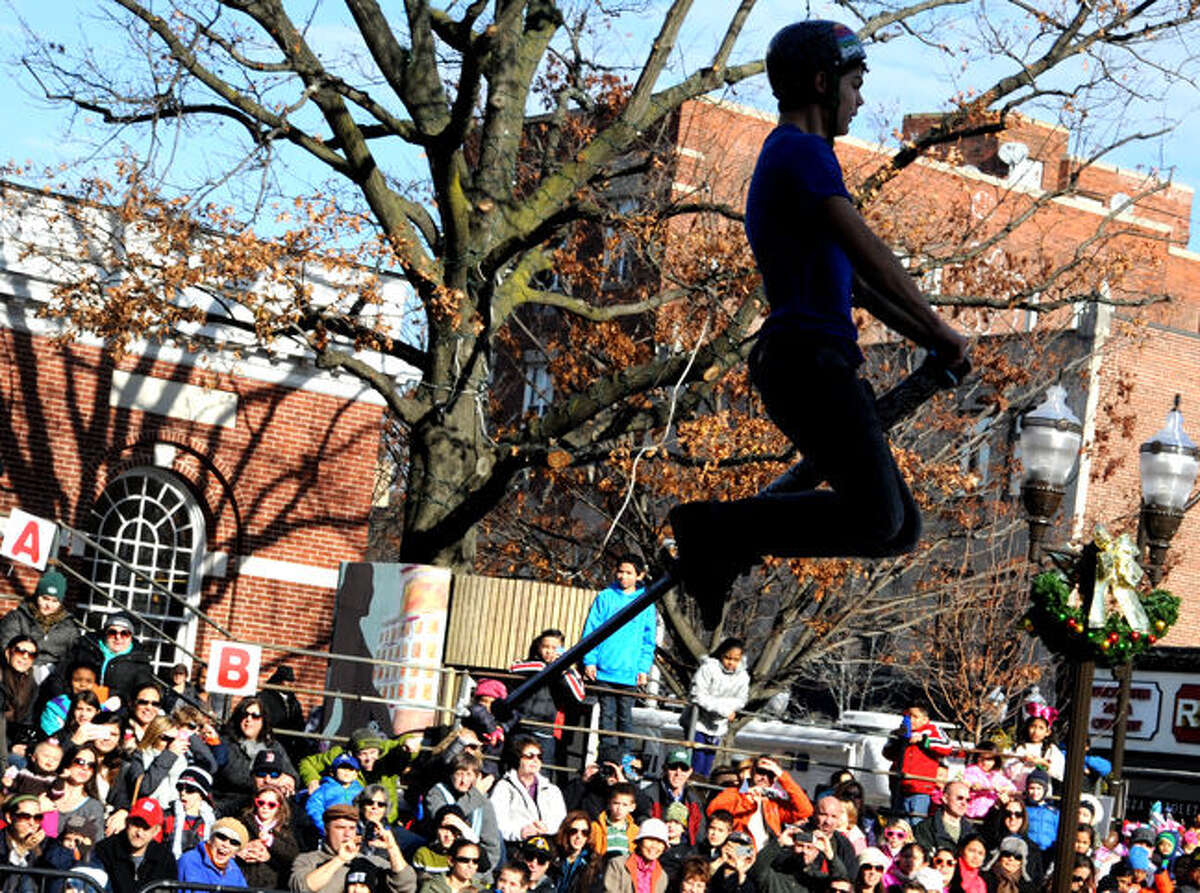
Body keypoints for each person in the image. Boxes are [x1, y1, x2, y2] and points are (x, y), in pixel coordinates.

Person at [667, 19, 969, 627]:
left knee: (899, 529)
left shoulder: (797, 159)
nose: (861, 100)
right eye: (855, 85)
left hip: (812, 364)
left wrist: (930, 341)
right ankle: (712, 528)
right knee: (879, 520)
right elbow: (869, 254)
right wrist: (940, 331)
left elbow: (857, 286)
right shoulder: (801, 153)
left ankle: (727, 536)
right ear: (821, 81)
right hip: (807, 364)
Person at [581, 555, 655, 754]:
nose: (623, 576)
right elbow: (591, 630)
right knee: (607, 715)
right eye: (620, 571)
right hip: (604, 670)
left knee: (625, 717)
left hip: (629, 672)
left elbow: (649, 641)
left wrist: (643, 668)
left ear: (640, 575)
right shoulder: (605, 597)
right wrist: (589, 660)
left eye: (629, 573)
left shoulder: (646, 602)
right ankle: (606, 756)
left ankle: (626, 758)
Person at [291, 803, 417, 893]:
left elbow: (406, 886)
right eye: (340, 828)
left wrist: (392, 848)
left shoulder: (371, 862)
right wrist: (340, 859)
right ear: (326, 830)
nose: (347, 833)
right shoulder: (308, 860)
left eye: (351, 828)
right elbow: (301, 888)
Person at [301, 726, 418, 824]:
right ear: (354, 753)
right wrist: (312, 780)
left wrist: (408, 742)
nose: (369, 758)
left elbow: (402, 747)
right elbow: (307, 763)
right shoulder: (341, 756)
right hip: (351, 820)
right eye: (363, 754)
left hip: (385, 820)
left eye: (373, 753)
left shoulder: (387, 753)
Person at [509, 630, 586, 774]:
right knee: (514, 770)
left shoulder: (569, 672)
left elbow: (579, 695)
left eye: (554, 648)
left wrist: (561, 669)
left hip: (545, 731)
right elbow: (514, 669)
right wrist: (549, 668)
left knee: (543, 775)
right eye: (546, 647)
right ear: (539, 647)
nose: (549, 651)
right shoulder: (530, 664)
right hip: (521, 727)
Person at [707, 756, 813, 847]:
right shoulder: (734, 793)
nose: (764, 778)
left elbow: (805, 811)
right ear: (752, 771)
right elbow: (712, 810)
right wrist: (746, 800)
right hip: (740, 850)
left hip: (767, 853)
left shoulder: (773, 803)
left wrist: (782, 776)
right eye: (761, 772)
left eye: (770, 774)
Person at [216, 695, 299, 811]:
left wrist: (289, 779)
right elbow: (233, 776)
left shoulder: (273, 746)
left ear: (263, 720)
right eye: (245, 715)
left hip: (267, 804)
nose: (248, 719)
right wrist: (270, 782)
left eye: (255, 716)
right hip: (232, 801)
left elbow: (291, 774)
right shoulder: (227, 743)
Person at [425, 752, 503, 872]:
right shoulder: (436, 793)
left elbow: (492, 847)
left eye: (469, 775)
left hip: (474, 868)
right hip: (442, 862)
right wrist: (475, 795)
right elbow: (448, 818)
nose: (464, 780)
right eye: (460, 774)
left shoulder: (484, 803)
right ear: (451, 775)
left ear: (477, 778)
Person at [0, 570, 79, 683]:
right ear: (37, 596)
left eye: (55, 601)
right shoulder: (17, 618)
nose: (48, 605)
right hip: (19, 671)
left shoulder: (69, 628)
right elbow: (6, 647)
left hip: (53, 678)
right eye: (45, 598)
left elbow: (72, 656)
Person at [687, 638, 749, 778]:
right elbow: (698, 696)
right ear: (721, 654)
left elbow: (741, 700)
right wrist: (724, 709)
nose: (731, 663)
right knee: (696, 762)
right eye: (727, 658)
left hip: (719, 727)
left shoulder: (743, 676)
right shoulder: (708, 668)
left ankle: (700, 793)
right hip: (699, 723)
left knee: (707, 766)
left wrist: (724, 706)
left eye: (735, 659)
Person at [66, 612, 154, 708]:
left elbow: (142, 693)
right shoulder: (85, 647)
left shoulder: (140, 660)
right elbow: (61, 676)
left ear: (131, 636)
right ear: (105, 633)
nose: (118, 637)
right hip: (76, 703)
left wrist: (114, 696)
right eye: (112, 632)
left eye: (124, 633)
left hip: (116, 711)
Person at [490, 735, 567, 844]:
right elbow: (497, 823)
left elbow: (561, 821)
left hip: (546, 843)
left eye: (539, 757)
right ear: (518, 759)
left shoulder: (552, 790)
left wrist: (547, 828)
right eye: (530, 756)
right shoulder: (503, 787)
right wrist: (521, 832)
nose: (535, 760)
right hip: (516, 844)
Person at [883, 704, 953, 822]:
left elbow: (947, 747)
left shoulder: (933, 730)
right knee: (897, 822)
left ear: (925, 719)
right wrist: (900, 740)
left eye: (915, 716)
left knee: (917, 822)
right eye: (908, 716)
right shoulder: (898, 732)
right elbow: (886, 753)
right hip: (898, 785)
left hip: (920, 787)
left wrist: (923, 740)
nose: (911, 719)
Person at [94, 797, 179, 893]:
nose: (139, 833)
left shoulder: (165, 858)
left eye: (146, 827)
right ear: (127, 822)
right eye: (136, 824)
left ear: (156, 830)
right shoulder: (105, 850)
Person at [238, 782, 301, 888]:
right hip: (243, 880)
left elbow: (293, 856)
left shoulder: (284, 831)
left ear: (279, 807)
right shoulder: (242, 823)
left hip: (271, 884)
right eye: (261, 803)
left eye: (271, 805)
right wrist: (239, 851)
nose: (265, 807)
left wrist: (271, 843)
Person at [645, 747, 707, 846]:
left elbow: (700, 833)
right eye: (673, 768)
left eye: (684, 769)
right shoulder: (650, 795)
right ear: (665, 769)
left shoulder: (695, 800)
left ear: (690, 771)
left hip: (687, 851)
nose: (678, 773)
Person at [48, 744, 106, 840]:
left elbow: (95, 845)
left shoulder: (93, 807)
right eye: (80, 762)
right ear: (67, 763)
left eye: (91, 765)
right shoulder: (46, 793)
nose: (85, 768)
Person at [177, 815, 250, 890]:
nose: (226, 845)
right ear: (211, 839)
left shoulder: (233, 868)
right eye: (222, 837)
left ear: (236, 852)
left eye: (234, 842)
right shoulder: (191, 859)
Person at [1004, 704, 1064, 792]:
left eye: (1041, 728)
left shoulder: (1050, 749)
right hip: (1019, 792)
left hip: (1040, 794)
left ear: (1048, 732)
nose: (1036, 731)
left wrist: (1043, 763)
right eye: (1033, 726)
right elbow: (1008, 772)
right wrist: (1021, 761)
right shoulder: (1019, 748)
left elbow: (1060, 773)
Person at [602, 818, 671, 893]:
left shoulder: (662, 876)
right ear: (640, 842)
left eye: (659, 842)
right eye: (650, 839)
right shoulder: (617, 865)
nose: (654, 846)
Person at [164, 766, 217, 859]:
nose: (183, 793)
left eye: (190, 789)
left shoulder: (212, 821)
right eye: (180, 788)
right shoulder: (166, 816)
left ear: (202, 794)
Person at [309, 752, 368, 834]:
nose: (346, 772)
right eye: (343, 768)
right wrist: (323, 827)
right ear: (333, 772)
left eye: (351, 769)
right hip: (331, 830)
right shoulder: (325, 789)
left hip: (355, 832)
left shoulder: (361, 791)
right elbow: (314, 808)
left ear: (356, 774)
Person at [1, 635, 40, 756]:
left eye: (31, 654)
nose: (25, 657)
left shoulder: (31, 684)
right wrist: (9, 746)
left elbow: (27, 721)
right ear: (8, 653)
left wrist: (23, 745)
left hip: (13, 740)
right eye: (20, 651)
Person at [914, 782, 977, 855]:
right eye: (959, 798)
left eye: (968, 800)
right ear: (945, 799)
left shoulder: (972, 832)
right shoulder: (925, 828)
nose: (964, 803)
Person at [962, 743, 1016, 821]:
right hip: (973, 813)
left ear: (995, 761)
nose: (985, 763)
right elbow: (972, 783)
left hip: (991, 814)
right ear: (977, 758)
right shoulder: (972, 770)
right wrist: (991, 788)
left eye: (989, 759)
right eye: (982, 759)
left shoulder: (996, 775)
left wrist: (1004, 788)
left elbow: (1012, 787)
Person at [588, 782, 640, 858]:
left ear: (632, 807)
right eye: (616, 803)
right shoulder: (596, 827)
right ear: (609, 804)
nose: (619, 808)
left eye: (624, 805)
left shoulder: (635, 831)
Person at [417, 838, 481, 893]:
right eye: (464, 860)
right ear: (451, 861)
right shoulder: (432, 886)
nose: (470, 865)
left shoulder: (481, 890)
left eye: (475, 861)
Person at [553, 811, 595, 893]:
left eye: (584, 832)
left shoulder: (593, 863)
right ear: (566, 832)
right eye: (574, 831)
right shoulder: (553, 858)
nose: (579, 836)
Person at [1020, 770, 1058, 854]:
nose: (1035, 792)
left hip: (1048, 851)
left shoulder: (1052, 811)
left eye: (1039, 788)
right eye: (1032, 788)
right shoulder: (1023, 808)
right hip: (1028, 850)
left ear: (1045, 790)